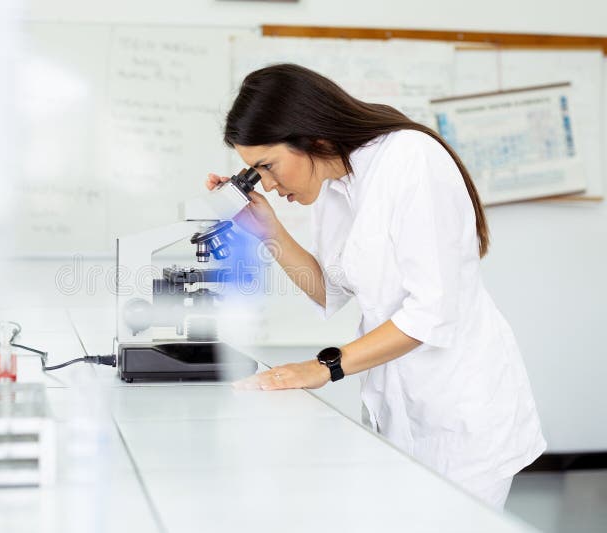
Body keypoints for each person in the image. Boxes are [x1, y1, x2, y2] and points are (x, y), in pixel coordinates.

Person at [207, 63, 546, 510]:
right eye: (254, 172)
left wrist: (324, 366)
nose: (266, 184)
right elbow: (329, 289)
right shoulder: (334, 186)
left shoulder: (411, 159)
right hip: (398, 408)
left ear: (313, 138)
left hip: (461, 414)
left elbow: (431, 311)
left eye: (266, 166)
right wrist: (268, 228)